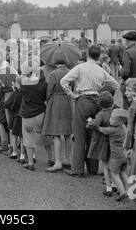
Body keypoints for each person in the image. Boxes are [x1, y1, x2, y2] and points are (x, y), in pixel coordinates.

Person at [61, 45, 119, 177]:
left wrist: (71, 94)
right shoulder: (100, 70)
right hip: (97, 101)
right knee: (93, 135)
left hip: (83, 99)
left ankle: (78, 169)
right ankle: (93, 168)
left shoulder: (80, 68)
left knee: (80, 135)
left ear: (87, 54)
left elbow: (63, 81)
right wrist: (101, 91)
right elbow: (115, 84)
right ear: (99, 56)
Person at [19, 63, 53, 171]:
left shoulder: (24, 84)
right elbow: (46, 97)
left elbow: (20, 92)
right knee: (46, 137)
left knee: (28, 139)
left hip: (28, 114)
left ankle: (30, 163)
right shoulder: (43, 84)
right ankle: (50, 159)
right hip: (41, 112)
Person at [42, 52, 72, 172]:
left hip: (56, 101)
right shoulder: (70, 71)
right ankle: (68, 160)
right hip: (68, 100)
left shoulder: (54, 73)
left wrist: (48, 100)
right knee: (68, 133)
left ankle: (58, 162)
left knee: (56, 133)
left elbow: (49, 90)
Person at [95, 109, 129, 202]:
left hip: (116, 156)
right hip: (124, 155)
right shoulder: (123, 127)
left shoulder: (112, 130)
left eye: (111, 118)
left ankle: (122, 192)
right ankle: (128, 190)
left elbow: (100, 129)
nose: (109, 119)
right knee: (123, 173)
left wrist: (92, 122)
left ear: (118, 122)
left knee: (114, 174)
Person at [86, 92, 114, 196]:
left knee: (106, 165)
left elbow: (93, 124)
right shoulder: (114, 112)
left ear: (100, 104)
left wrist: (89, 122)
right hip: (114, 142)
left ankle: (108, 188)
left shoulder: (101, 114)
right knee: (114, 164)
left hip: (104, 142)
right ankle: (115, 184)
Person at [124, 78, 136, 209]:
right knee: (135, 177)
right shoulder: (132, 110)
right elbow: (129, 131)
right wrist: (128, 147)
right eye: (134, 95)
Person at [120, 31, 136, 109]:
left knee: (128, 109)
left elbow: (125, 72)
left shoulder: (127, 52)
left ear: (128, 41)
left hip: (130, 82)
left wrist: (121, 72)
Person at [4, 76, 24, 160]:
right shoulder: (26, 92)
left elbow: (7, 104)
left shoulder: (15, 94)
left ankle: (15, 152)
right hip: (24, 116)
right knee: (23, 136)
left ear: (17, 84)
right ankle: (23, 154)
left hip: (16, 116)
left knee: (14, 135)